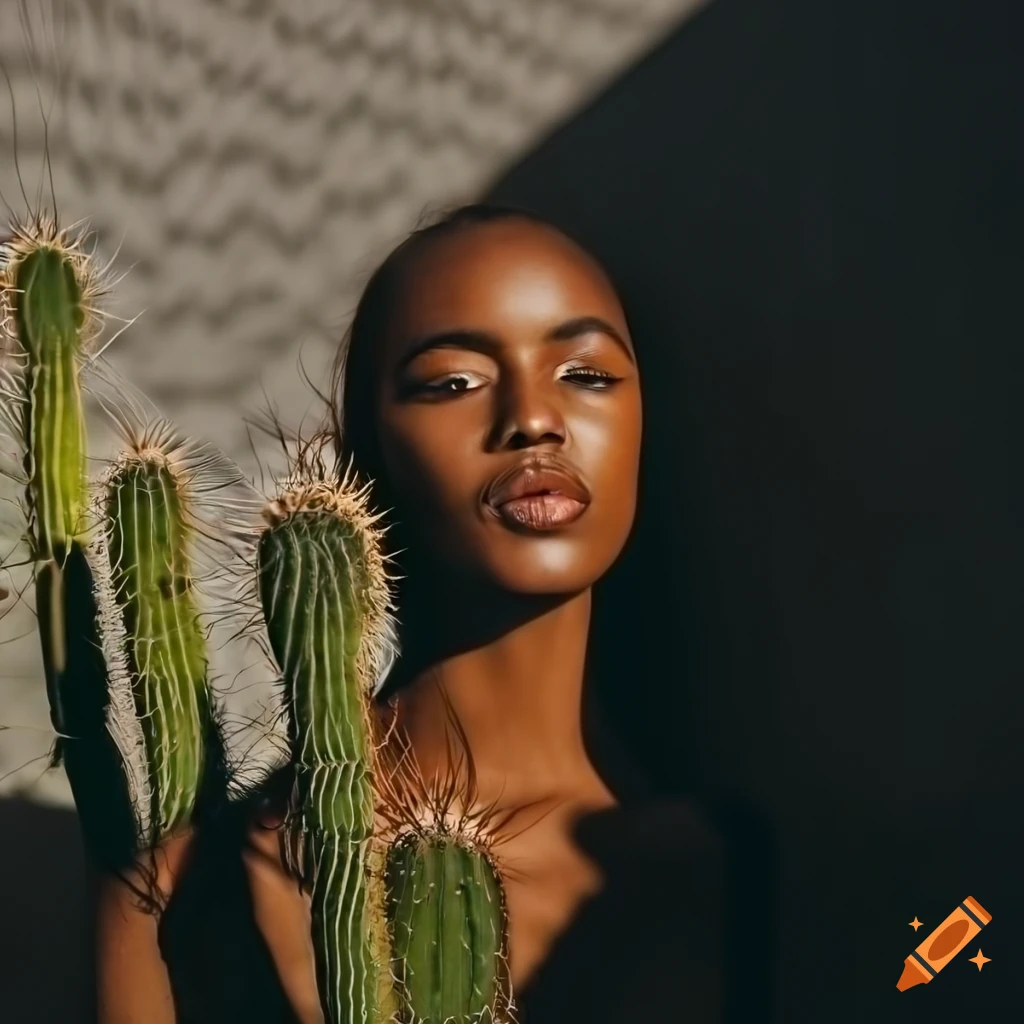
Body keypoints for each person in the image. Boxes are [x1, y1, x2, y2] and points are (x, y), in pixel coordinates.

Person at [94, 204, 725, 1023]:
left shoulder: (731, 873)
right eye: (453, 383)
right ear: (362, 466)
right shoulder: (180, 893)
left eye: (586, 374)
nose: (533, 420)